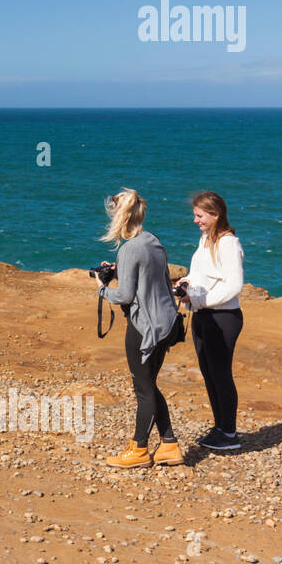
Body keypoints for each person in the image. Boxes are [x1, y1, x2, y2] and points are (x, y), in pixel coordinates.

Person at [91, 188, 183, 469]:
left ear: (118, 216)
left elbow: (125, 296)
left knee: (143, 390)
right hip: (166, 323)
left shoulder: (129, 248)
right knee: (149, 385)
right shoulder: (153, 241)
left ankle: (139, 449)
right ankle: (169, 445)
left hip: (144, 328)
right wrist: (119, 270)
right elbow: (153, 279)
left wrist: (101, 287)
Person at [177, 191, 245, 451]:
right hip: (203, 314)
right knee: (209, 373)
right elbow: (200, 274)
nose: (195, 220)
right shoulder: (206, 238)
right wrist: (187, 284)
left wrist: (198, 299)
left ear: (215, 215)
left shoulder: (228, 244)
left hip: (223, 317)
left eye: (199, 215)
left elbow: (234, 285)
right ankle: (220, 428)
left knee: (220, 374)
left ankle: (229, 434)